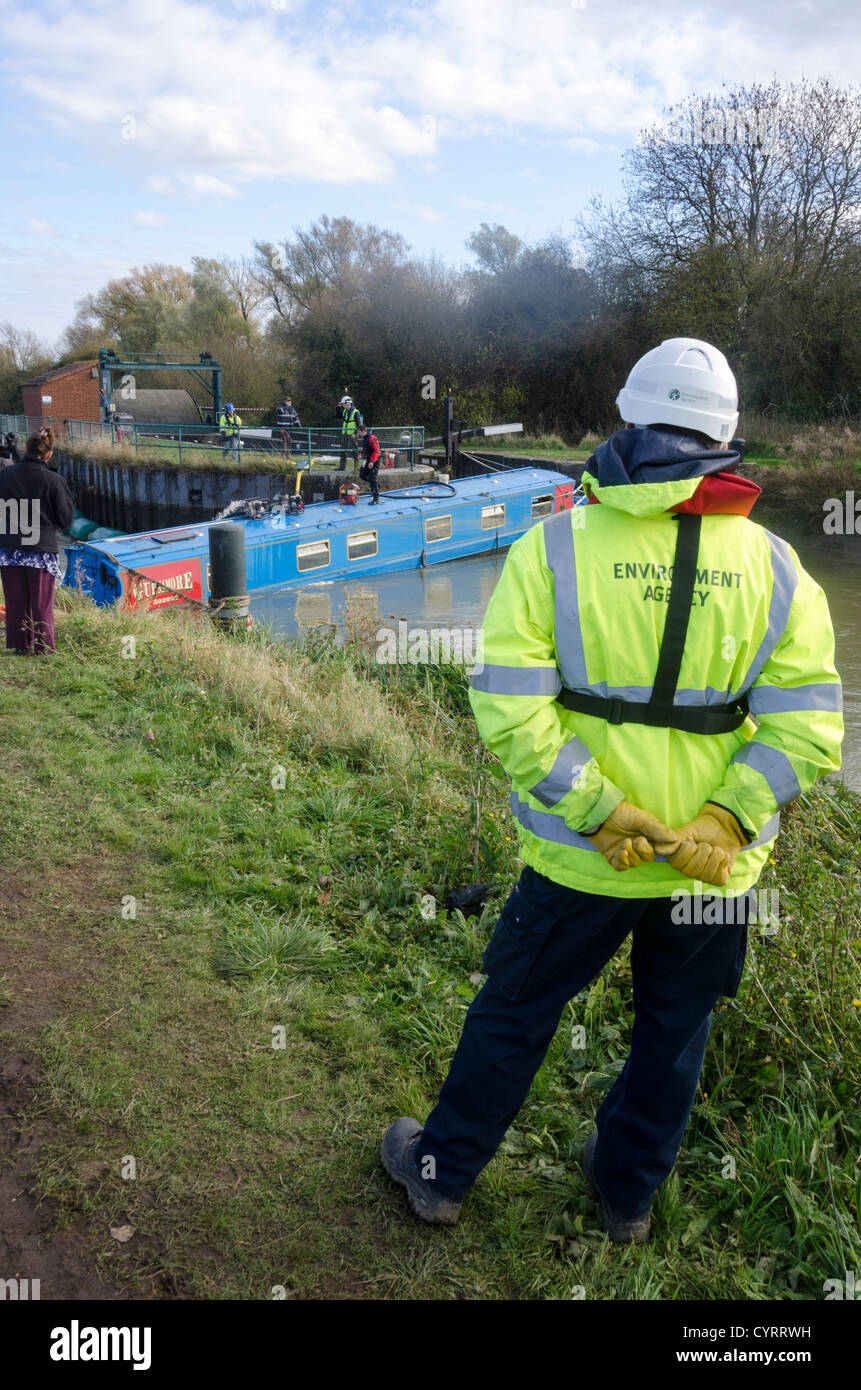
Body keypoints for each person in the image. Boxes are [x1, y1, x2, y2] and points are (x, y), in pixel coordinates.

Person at [381, 337, 843, 1242]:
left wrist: (594, 808)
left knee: (515, 1011)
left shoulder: (551, 548)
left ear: (628, 418)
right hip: (710, 871)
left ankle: (439, 1176)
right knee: (674, 1034)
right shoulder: (781, 569)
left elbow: (511, 708)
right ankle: (626, 1197)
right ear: (727, 435)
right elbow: (809, 727)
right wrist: (727, 815)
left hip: (579, 856)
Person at [0, 426, 74, 655]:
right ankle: (43, 648)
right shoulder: (54, 480)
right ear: (48, 454)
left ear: (25, 449)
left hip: (9, 547)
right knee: (41, 604)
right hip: (40, 550)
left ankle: (19, 645)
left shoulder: (4, 475)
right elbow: (65, 519)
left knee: (15, 601)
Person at [358, 424, 383, 504]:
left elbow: (376, 451)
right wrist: (362, 454)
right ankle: (377, 485)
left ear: (363, 431)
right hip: (369, 459)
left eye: (359, 432)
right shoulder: (365, 438)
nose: (359, 434)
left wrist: (372, 462)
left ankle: (376, 498)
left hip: (374, 460)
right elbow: (365, 448)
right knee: (362, 474)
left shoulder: (371, 438)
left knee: (372, 477)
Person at [339, 394, 362, 471]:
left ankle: (356, 468)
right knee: (343, 451)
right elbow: (337, 415)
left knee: (355, 451)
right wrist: (338, 407)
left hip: (353, 435)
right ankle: (342, 468)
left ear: (347, 404)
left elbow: (359, 425)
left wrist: (355, 433)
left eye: (343, 404)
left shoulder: (355, 412)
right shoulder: (345, 411)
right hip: (345, 434)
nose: (342, 405)